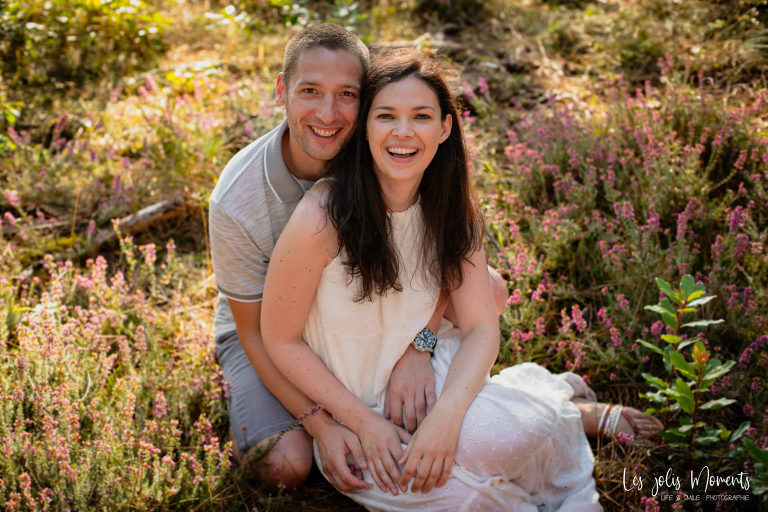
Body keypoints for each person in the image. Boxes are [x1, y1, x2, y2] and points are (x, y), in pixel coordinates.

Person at [261, 48, 608, 511]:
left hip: (423, 378)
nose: (403, 133)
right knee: (468, 502)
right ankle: (558, 400)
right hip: (350, 404)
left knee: (521, 436)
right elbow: (280, 339)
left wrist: (447, 416)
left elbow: (483, 327)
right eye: (386, 116)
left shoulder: (449, 208)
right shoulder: (322, 218)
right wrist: (360, 422)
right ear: (364, 128)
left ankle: (555, 405)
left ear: (444, 128)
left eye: (421, 117)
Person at [209, 24, 436, 491]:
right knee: (284, 466)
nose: (328, 114)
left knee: (487, 292)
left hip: (369, 302)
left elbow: (446, 258)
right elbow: (256, 334)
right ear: (281, 90)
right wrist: (323, 425)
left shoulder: (386, 145)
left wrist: (419, 346)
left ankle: (556, 411)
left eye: (347, 94)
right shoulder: (237, 200)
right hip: (265, 329)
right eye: (310, 91)